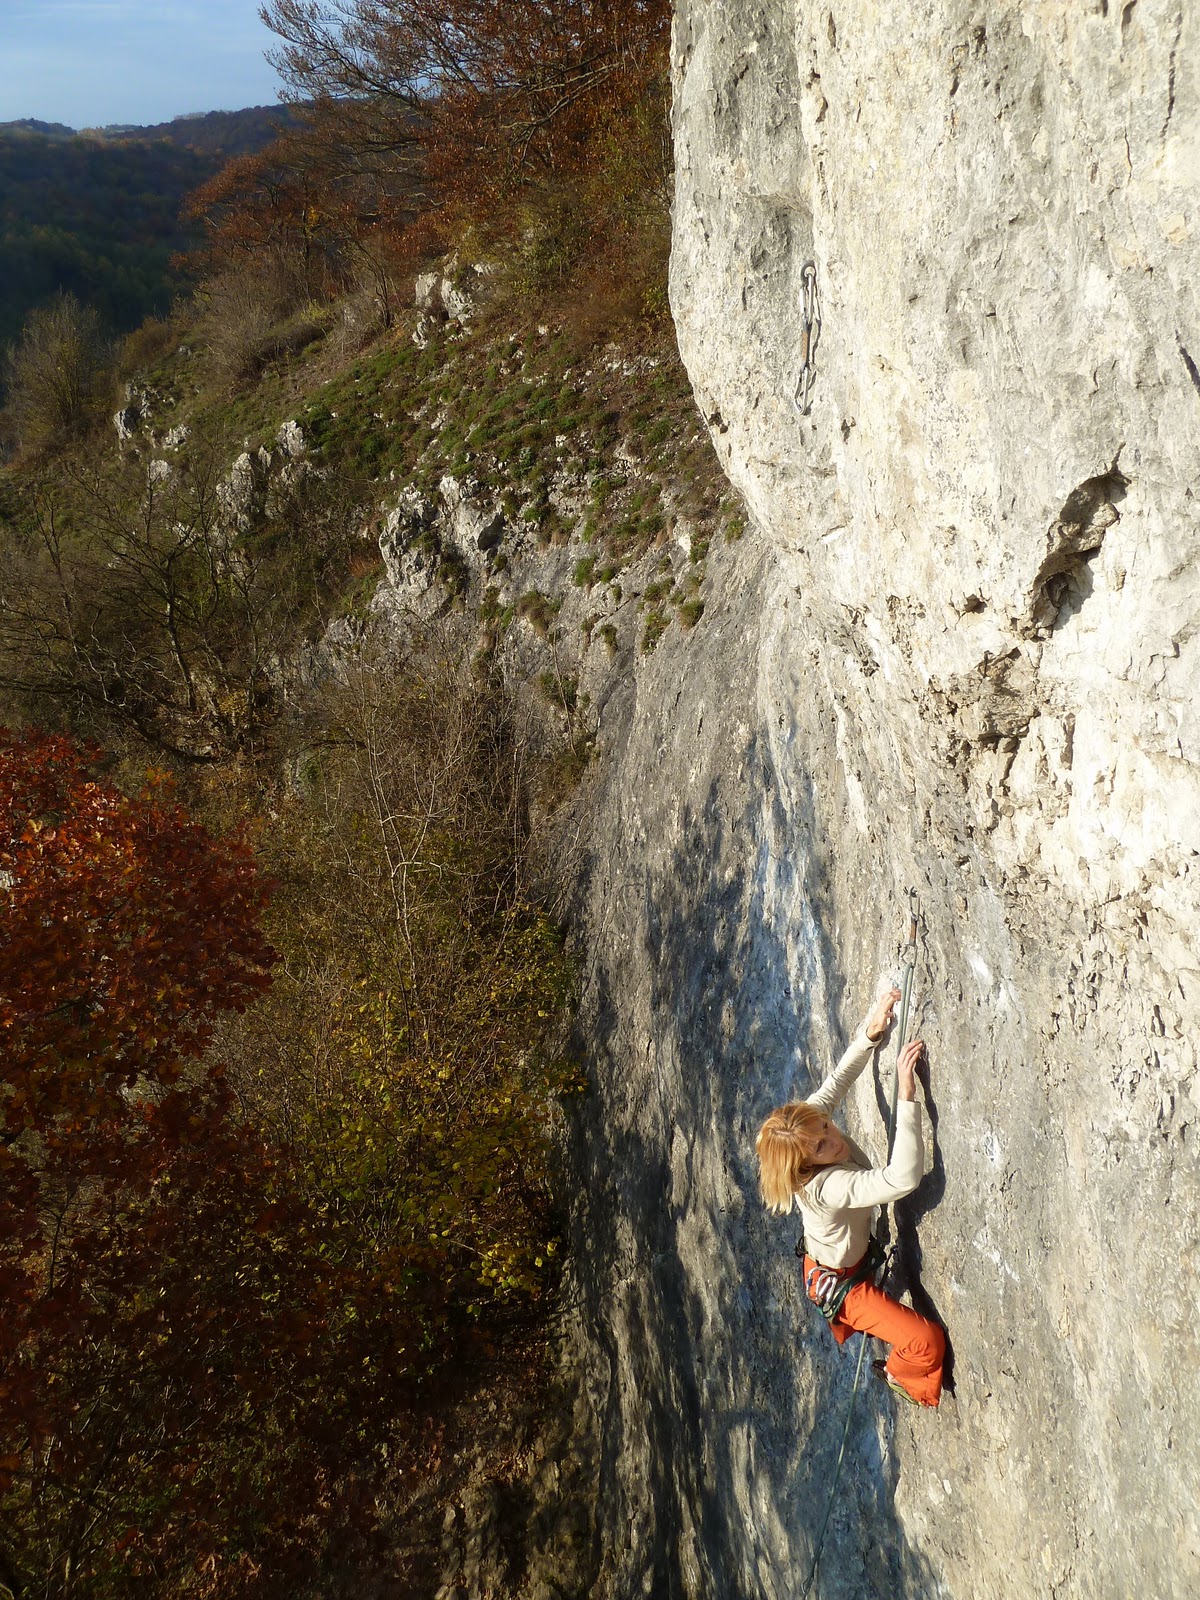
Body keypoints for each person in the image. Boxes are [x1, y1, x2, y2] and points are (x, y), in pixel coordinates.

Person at [755, 987, 945, 1407]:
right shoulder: (826, 1187)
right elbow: (902, 1178)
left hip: (835, 1261)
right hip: (844, 1285)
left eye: (825, 1128)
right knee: (927, 1343)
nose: (832, 1138)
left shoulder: (807, 1128)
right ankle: (899, 1375)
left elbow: (836, 1081)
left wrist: (871, 1033)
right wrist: (907, 1095)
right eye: (821, 1147)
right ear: (805, 1169)